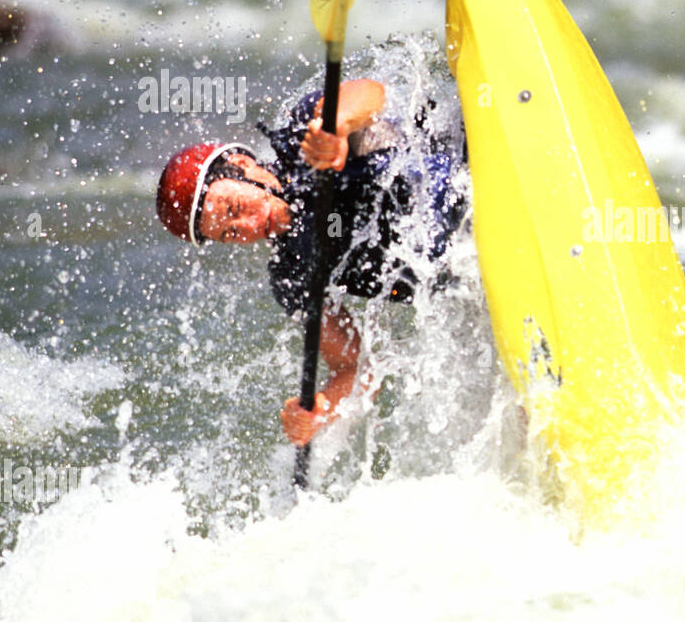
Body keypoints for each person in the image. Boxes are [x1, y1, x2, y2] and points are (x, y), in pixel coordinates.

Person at [155, 78, 465, 448]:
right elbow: (358, 368)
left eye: (234, 208)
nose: (250, 227)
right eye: (231, 235)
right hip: (470, 270)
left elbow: (372, 93)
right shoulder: (294, 276)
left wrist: (336, 125)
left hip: (468, 173)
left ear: (241, 165)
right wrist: (321, 409)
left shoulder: (305, 138)